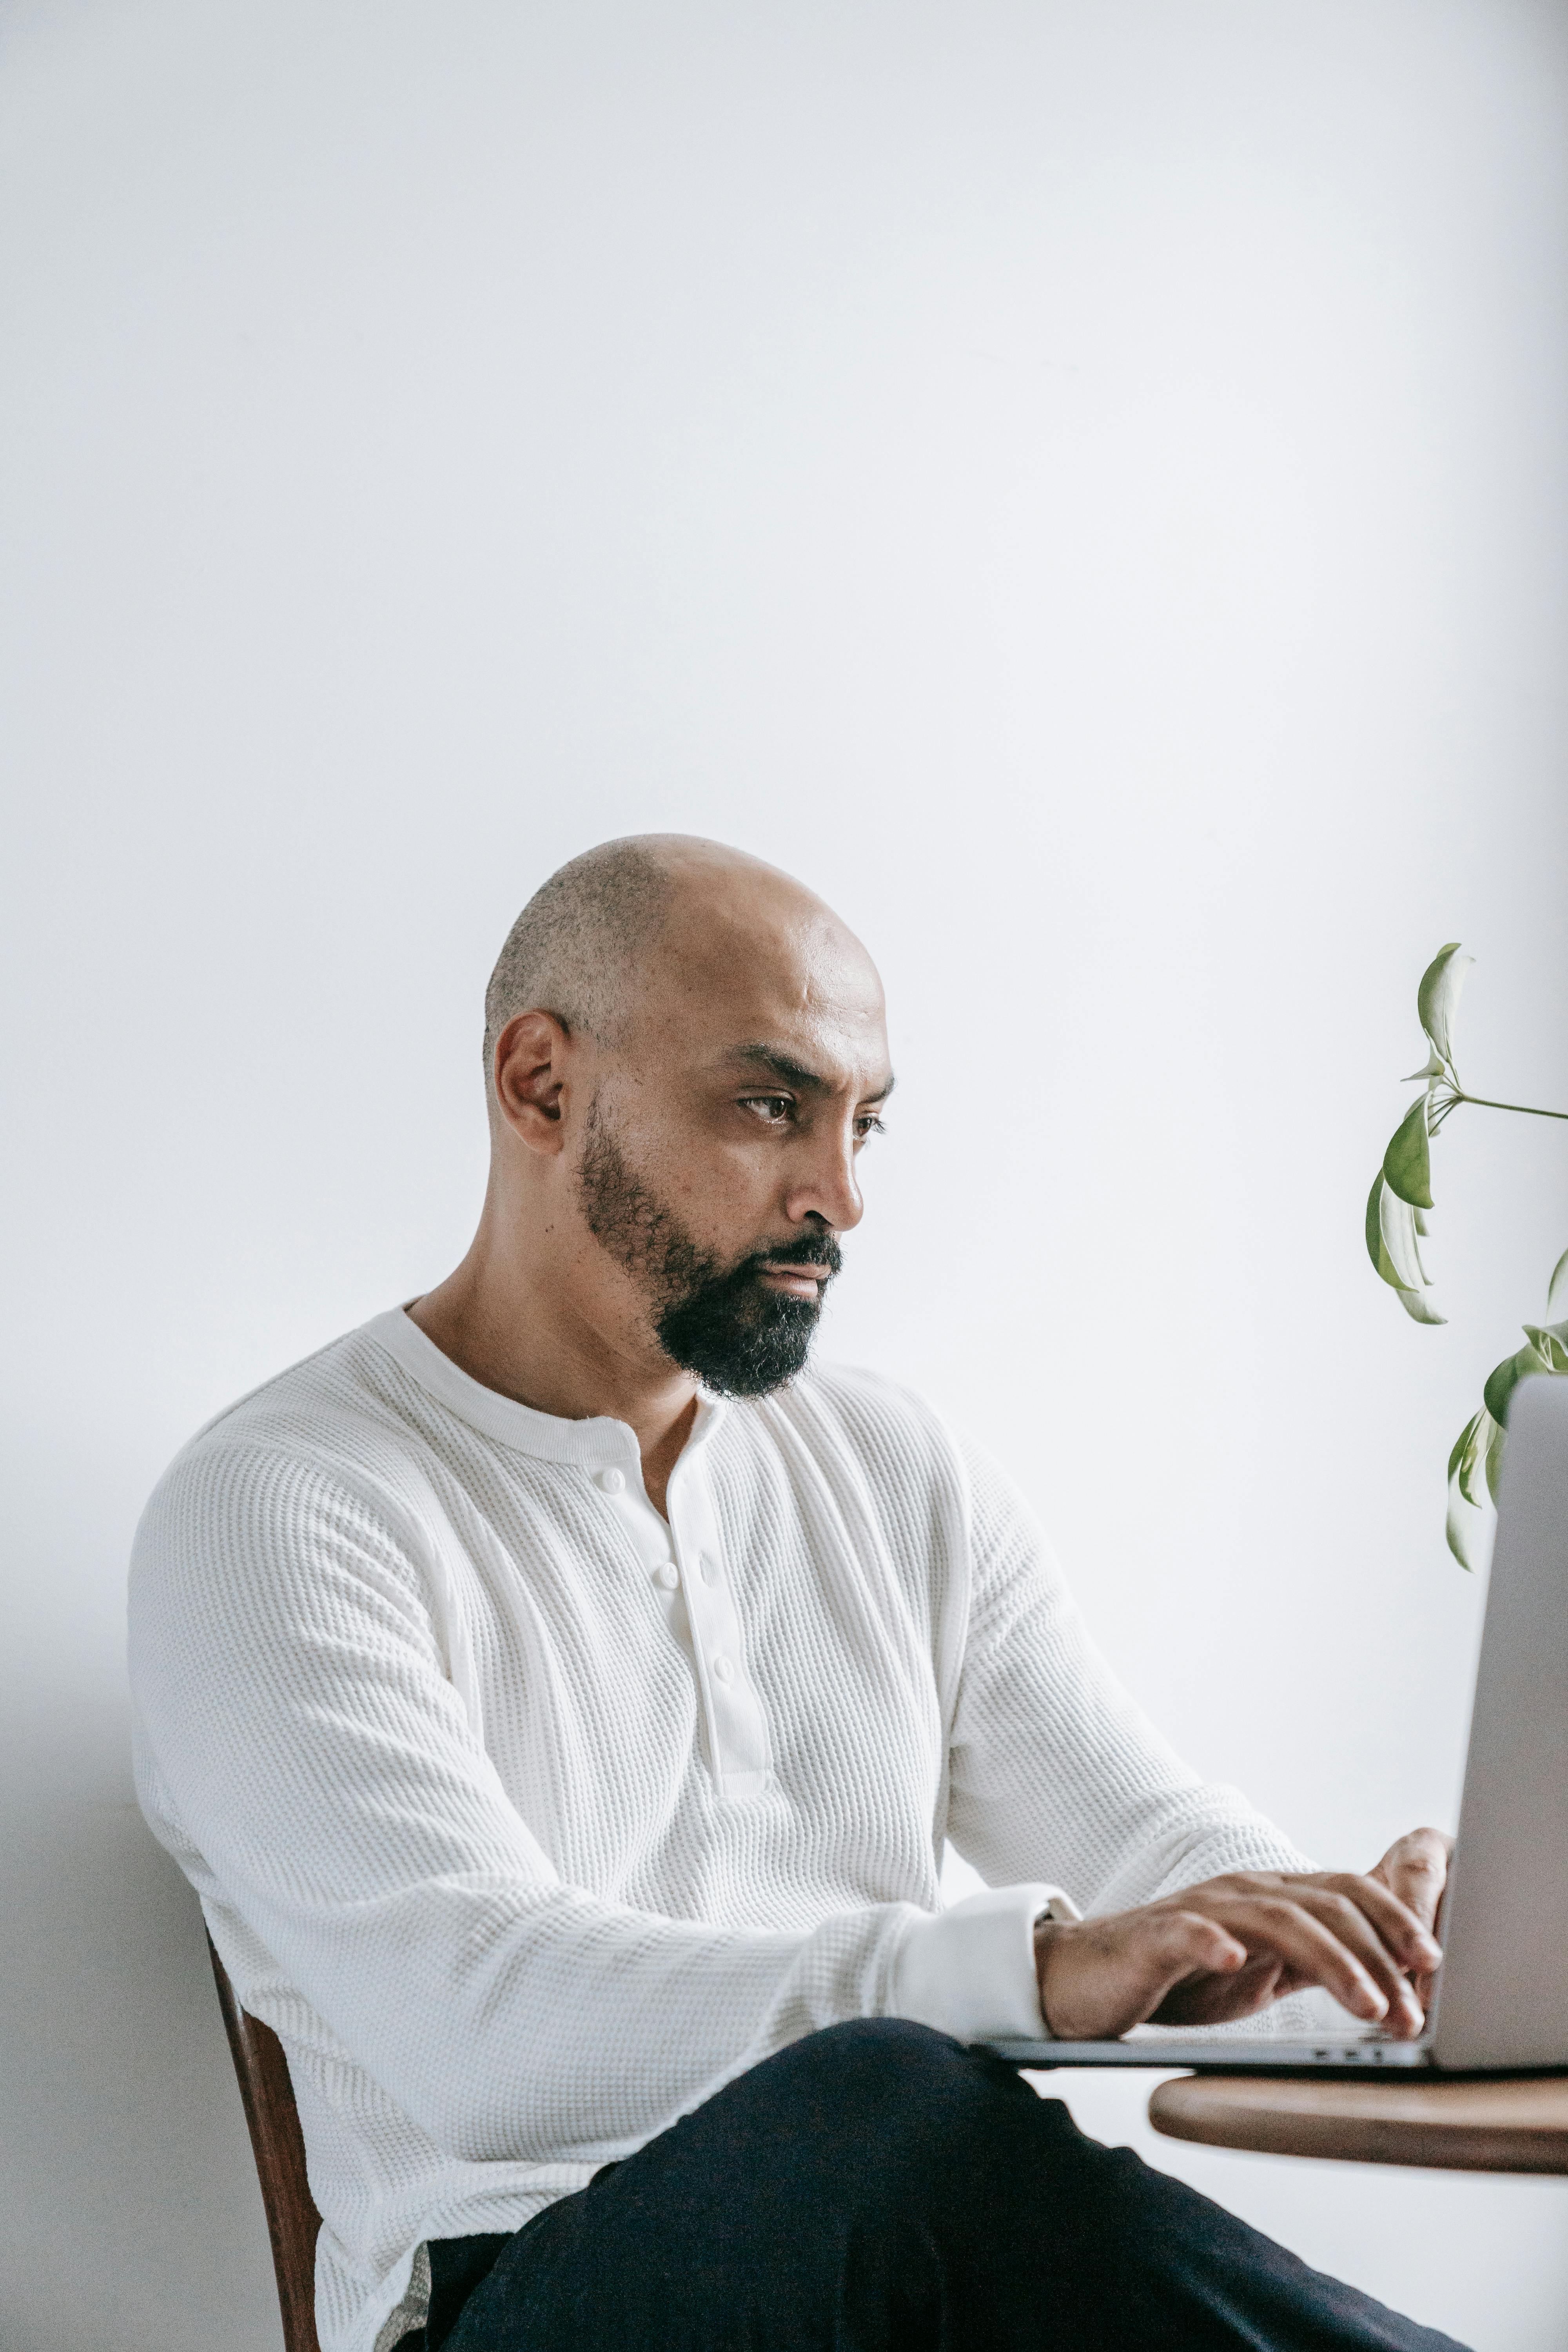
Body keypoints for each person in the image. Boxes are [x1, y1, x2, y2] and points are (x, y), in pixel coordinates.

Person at [129, 835, 1465, 2352]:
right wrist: (1012, 1970)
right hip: (520, 2297)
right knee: (891, 2096)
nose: (838, 1193)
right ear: (542, 1085)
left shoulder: (894, 1468)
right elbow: (478, 2024)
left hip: (897, 2253)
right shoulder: (281, 1504)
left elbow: (1142, 1834)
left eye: (864, 1125)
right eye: (772, 1106)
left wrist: (1372, 1948)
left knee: (916, 2120)